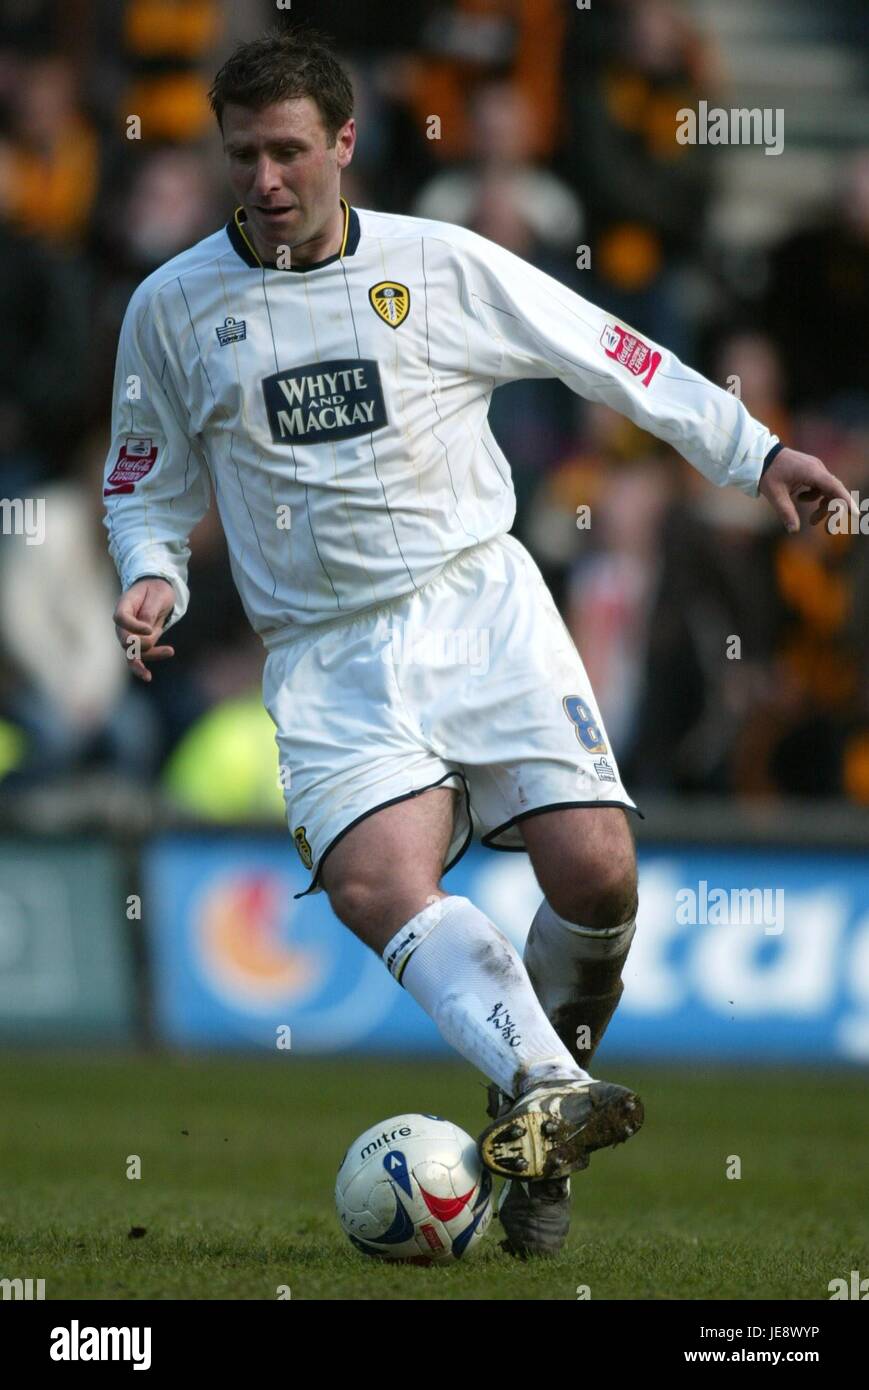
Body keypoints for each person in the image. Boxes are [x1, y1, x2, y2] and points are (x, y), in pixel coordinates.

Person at [103, 28, 854, 1258]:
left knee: (598, 872)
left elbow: (606, 352)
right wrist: (149, 575)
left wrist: (754, 450)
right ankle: (549, 1089)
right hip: (325, 649)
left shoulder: (438, 266)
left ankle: (530, 1100)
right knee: (376, 884)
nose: (265, 181)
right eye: (242, 156)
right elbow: (141, 479)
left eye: (289, 152)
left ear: (346, 144)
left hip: (479, 603)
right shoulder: (171, 308)